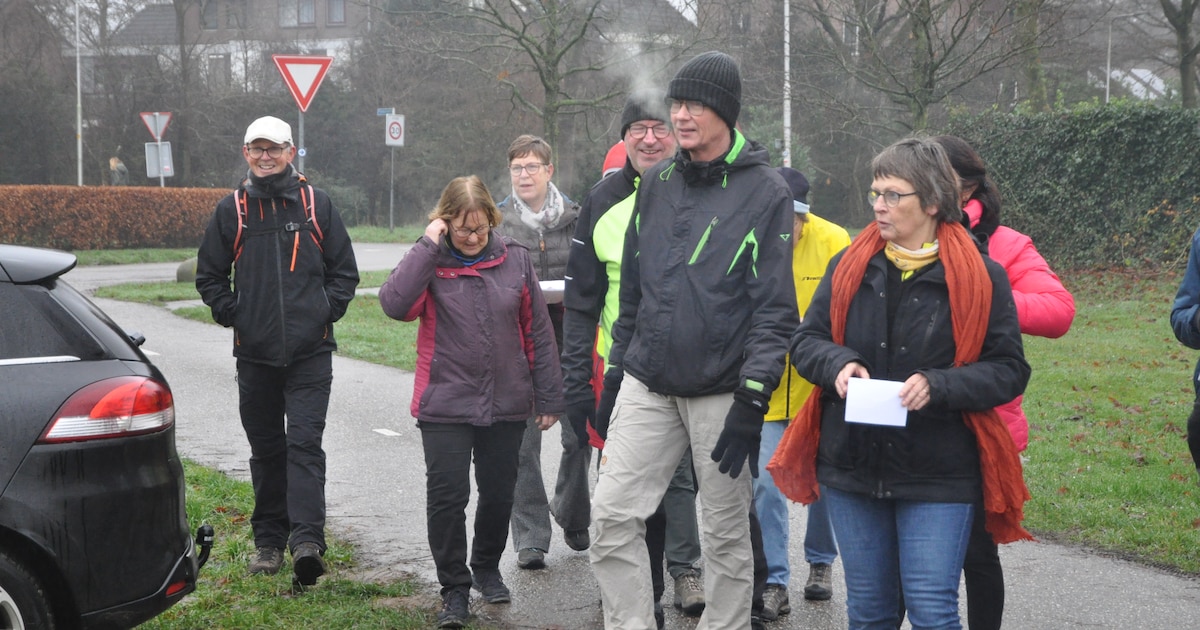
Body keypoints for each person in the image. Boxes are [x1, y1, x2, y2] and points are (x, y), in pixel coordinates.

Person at [768, 136, 1033, 630]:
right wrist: (838, 364)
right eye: (875, 194)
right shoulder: (848, 266)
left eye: (893, 195)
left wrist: (940, 385)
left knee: (932, 611)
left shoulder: (982, 276)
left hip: (938, 471)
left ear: (932, 201)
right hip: (853, 466)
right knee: (869, 614)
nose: (879, 207)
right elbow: (806, 341)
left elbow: (1009, 369)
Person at [588, 51, 798, 629]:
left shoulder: (767, 192)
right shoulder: (656, 183)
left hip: (722, 390)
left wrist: (754, 397)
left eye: (695, 105)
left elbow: (775, 310)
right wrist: (615, 375)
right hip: (648, 382)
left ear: (725, 113)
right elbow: (633, 292)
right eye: (677, 102)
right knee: (609, 518)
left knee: (726, 537)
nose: (681, 116)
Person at [378, 175, 564, 629]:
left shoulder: (515, 260)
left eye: (480, 228)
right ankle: (454, 589)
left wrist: (549, 397)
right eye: (462, 229)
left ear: (492, 222)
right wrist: (428, 244)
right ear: (444, 223)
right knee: (447, 498)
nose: (473, 237)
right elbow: (395, 304)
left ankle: (485, 568)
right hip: (445, 401)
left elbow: (537, 333)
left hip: (507, 402)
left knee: (499, 494)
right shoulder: (431, 260)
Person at [195, 115, 359, 586]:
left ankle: (307, 542)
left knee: (305, 446)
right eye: (257, 149)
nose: (266, 156)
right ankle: (268, 543)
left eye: (274, 148)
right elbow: (209, 276)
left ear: (291, 152)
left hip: (311, 354)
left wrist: (325, 311)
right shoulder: (234, 211)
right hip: (255, 357)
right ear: (246, 153)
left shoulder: (316, 205)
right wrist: (235, 313)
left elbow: (344, 272)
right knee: (266, 451)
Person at [561, 91, 705, 627]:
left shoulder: (703, 190)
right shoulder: (601, 200)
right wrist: (577, 382)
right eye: (637, 129)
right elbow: (581, 303)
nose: (649, 138)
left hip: (694, 372)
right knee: (621, 499)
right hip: (619, 373)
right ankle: (635, 601)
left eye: (659, 128)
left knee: (682, 487)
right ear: (623, 139)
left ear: (679, 132)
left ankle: (688, 579)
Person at [934, 134, 1075, 630]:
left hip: (983, 424)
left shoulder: (1008, 245)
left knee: (976, 554)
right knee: (915, 562)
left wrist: (985, 293)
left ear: (966, 185)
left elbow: (1059, 312)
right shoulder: (895, 237)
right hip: (910, 418)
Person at [753, 167, 850, 621]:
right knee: (765, 484)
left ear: (804, 219)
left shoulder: (835, 243)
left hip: (820, 391)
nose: (782, 230)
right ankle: (774, 580)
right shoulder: (747, 242)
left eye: (789, 220)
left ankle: (820, 563)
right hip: (768, 391)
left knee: (825, 480)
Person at [494, 134, 589, 570]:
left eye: (532, 167)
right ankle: (531, 536)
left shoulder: (577, 218)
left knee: (580, 437)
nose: (524, 175)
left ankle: (572, 509)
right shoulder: (496, 221)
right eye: (517, 168)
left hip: (574, 345)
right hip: (520, 349)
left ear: (550, 171)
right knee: (521, 446)